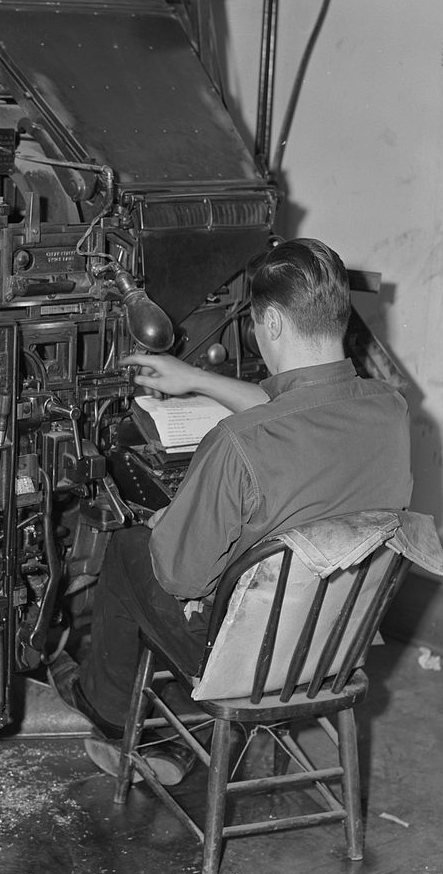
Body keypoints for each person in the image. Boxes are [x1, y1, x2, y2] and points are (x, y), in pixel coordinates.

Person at [49, 237, 413, 783]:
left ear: (269, 324)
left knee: (132, 551)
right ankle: (189, 732)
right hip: (338, 647)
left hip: (252, 660)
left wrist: (167, 527)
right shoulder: (391, 410)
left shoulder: (237, 443)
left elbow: (179, 577)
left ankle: (108, 711)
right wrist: (195, 379)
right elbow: (300, 409)